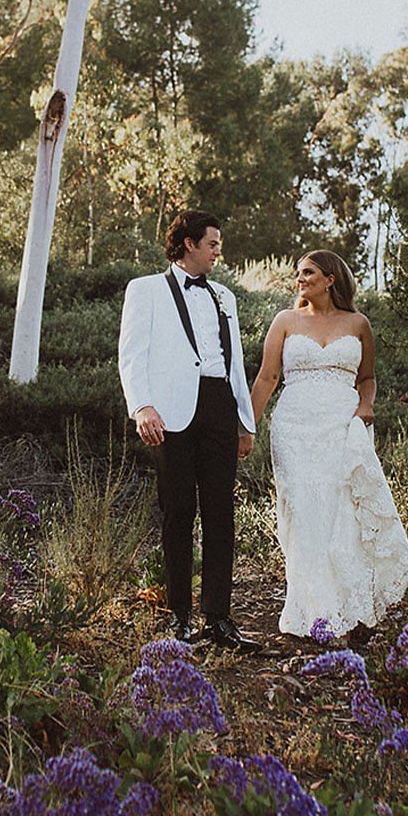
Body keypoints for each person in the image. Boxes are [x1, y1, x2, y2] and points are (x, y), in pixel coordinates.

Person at [250, 250, 408, 639]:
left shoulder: (358, 324)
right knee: (304, 511)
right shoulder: (285, 321)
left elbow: (367, 378)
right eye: (298, 272)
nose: (299, 279)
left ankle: (348, 608)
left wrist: (366, 406)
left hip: (341, 425)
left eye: (308, 272)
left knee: (343, 512)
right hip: (294, 427)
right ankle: (309, 608)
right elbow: (266, 378)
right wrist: (246, 429)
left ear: (330, 279)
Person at [118, 209, 262, 653]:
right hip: (170, 414)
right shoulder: (145, 290)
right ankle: (179, 616)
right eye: (212, 244)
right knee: (178, 512)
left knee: (221, 514)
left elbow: (234, 362)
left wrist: (243, 422)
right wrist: (142, 406)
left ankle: (219, 619)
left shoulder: (224, 296)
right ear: (189, 244)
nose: (218, 252)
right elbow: (131, 354)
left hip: (219, 406)